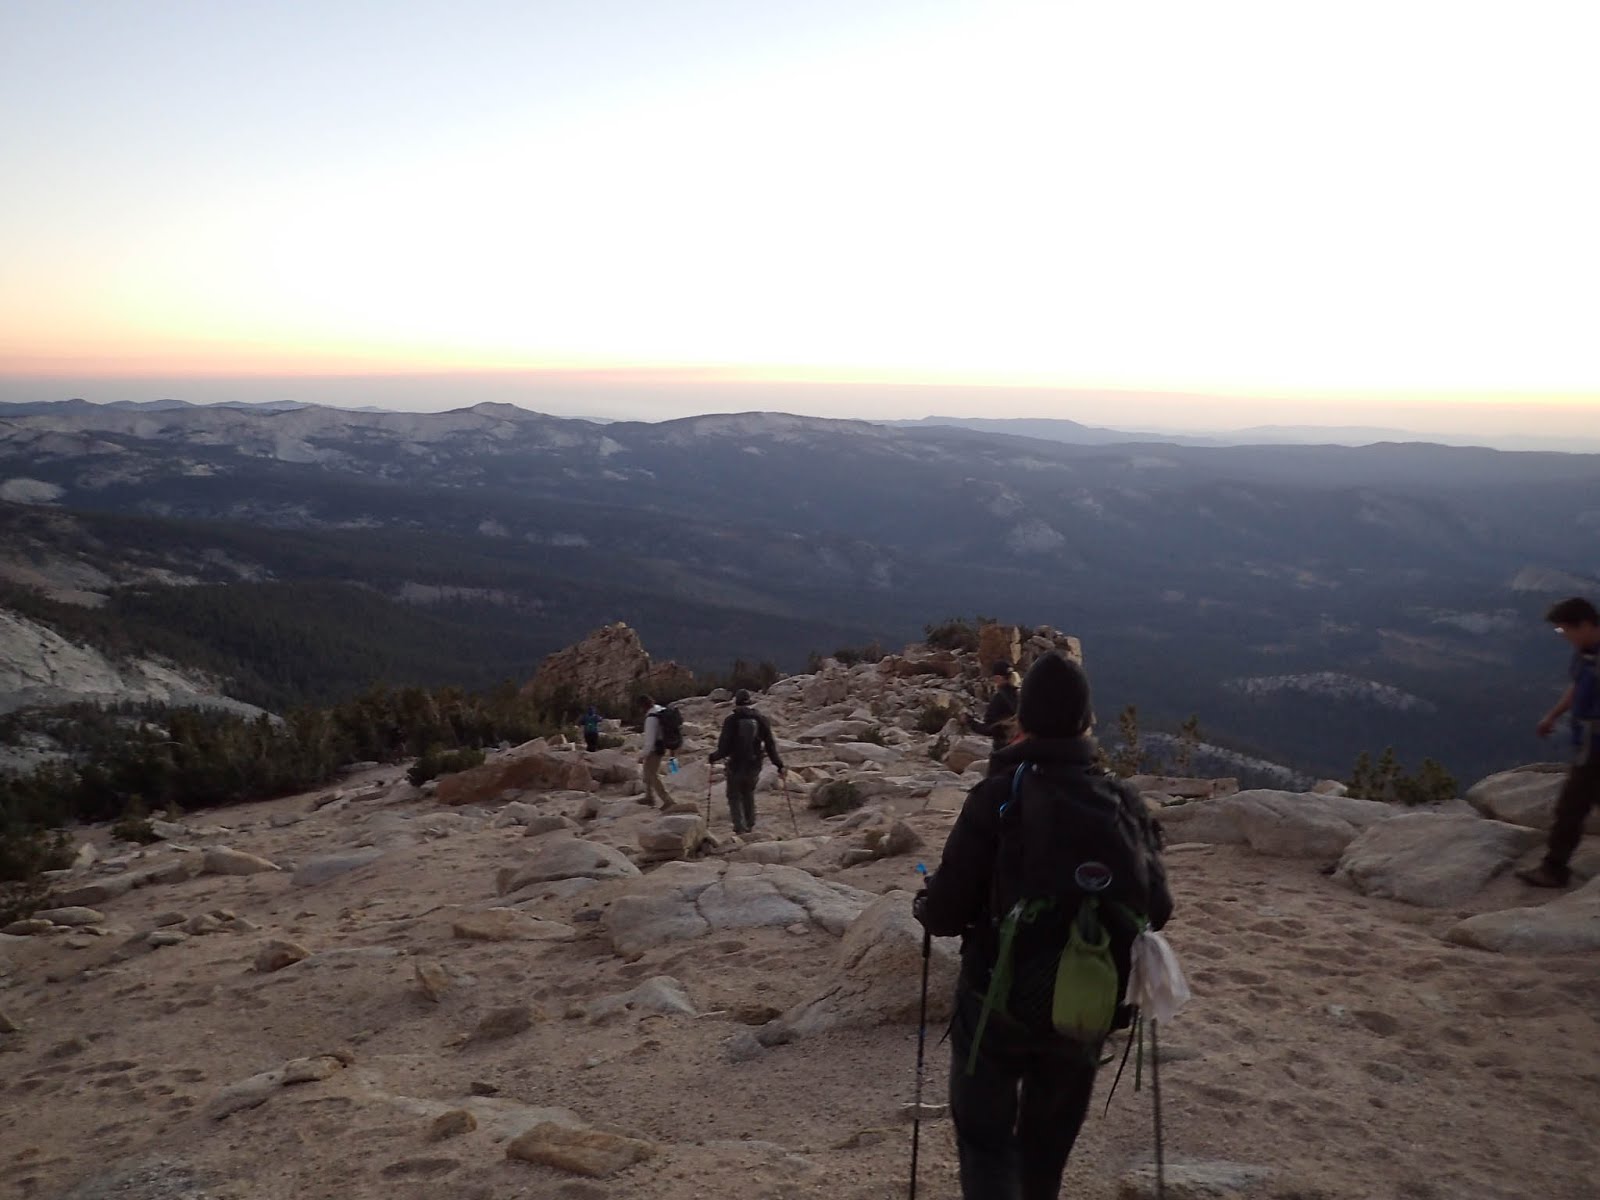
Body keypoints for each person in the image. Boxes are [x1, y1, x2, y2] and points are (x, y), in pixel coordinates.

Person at [916, 651, 1172, 1200]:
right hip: (1086, 1006)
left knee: (985, 1143)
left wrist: (924, 906)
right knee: (1046, 1150)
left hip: (997, 1000)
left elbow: (944, 914)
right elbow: (1160, 908)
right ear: (1086, 723)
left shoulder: (998, 797)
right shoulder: (1124, 801)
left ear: (1022, 721)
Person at [1515, 596, 1600, 888]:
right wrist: (1553, 715)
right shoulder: (1585, 654)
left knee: (1571, 807)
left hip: (1596, 748)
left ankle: (1553, 869)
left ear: (1586, 624)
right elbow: (1578, 687)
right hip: (1587, 742)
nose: (1565, 638)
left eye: (1566, 630)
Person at [708, 689, 785, 834]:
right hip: (754, 763)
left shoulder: (731, 720)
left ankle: (739, 826)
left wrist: (714, 757)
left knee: (734, 794)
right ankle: (750, 824)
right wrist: (778, 764)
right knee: (748, 792)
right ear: (750, 702)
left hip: (735, 763)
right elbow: (770, 745)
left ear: (736, 703)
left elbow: (723, 747)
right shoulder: (761, 719)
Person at [967, 660, 1022, 758]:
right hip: (1020, 749)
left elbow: (989, 729)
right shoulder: (1019, 695)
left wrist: (969, 721)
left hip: (1004, 752)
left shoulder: (999, 698)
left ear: (997, 678)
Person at [638, 695, 674, 808]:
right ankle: (648, 796)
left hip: (655, 749)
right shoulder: (659, 709)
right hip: (662, 744)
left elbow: (649, 741)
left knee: (653, 775)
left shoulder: (650, 718)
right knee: (646, 772)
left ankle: (668, 801)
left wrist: (642, 755)